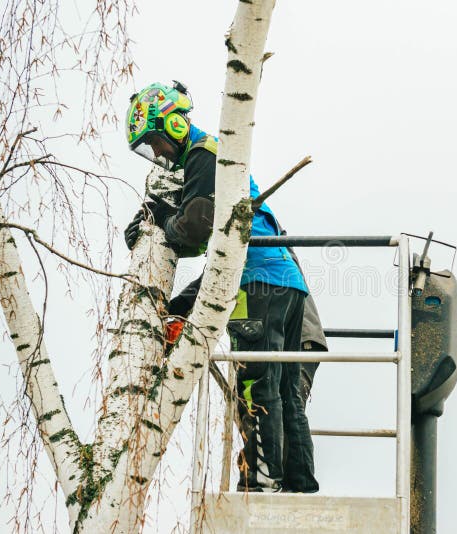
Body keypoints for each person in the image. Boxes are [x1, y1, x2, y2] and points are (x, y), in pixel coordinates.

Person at [124, 81, 318, 493]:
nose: (157, 154)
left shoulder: (203, 156)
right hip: (286, 281)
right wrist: (181, 303)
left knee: (256, 382)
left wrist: (159, 218)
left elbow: (195, 227)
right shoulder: (217, 158)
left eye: (156, 141)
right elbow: (221, 260)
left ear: (175, 125)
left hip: (257, 283)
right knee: (284, 388)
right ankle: (299, 483)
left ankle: (263, 481)